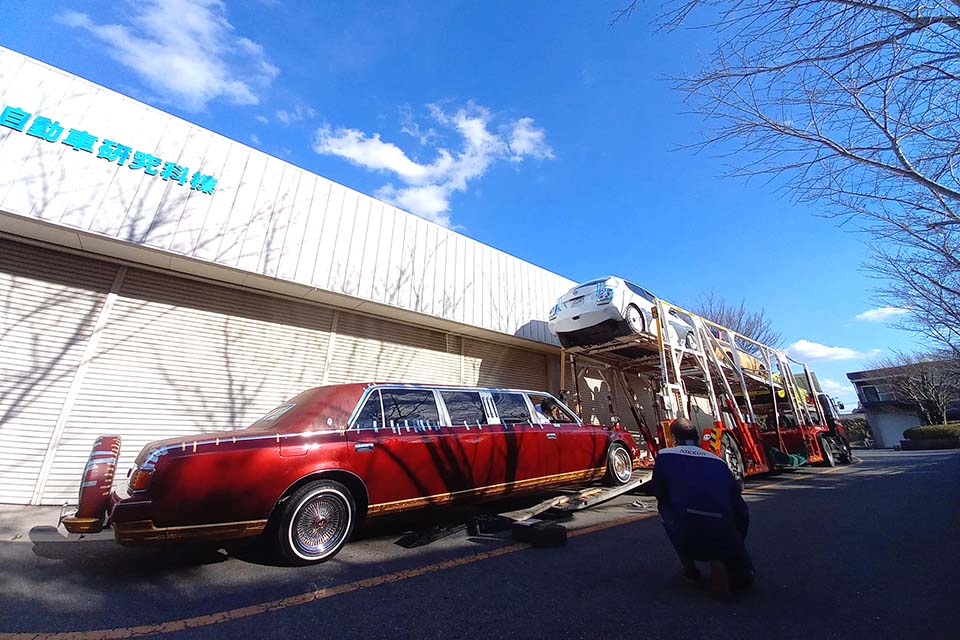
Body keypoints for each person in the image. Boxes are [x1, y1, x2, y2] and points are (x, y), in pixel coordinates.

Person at [651, 418, 754, 595]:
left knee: (664, 510)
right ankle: (732, 555)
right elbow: (736, 500)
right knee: (745, 576)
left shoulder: (664, 456)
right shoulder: (718, 461)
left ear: (674, 437)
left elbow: (660, 492)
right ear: (698, 437)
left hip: (686, 524)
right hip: (723, 526)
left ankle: (690, 570)